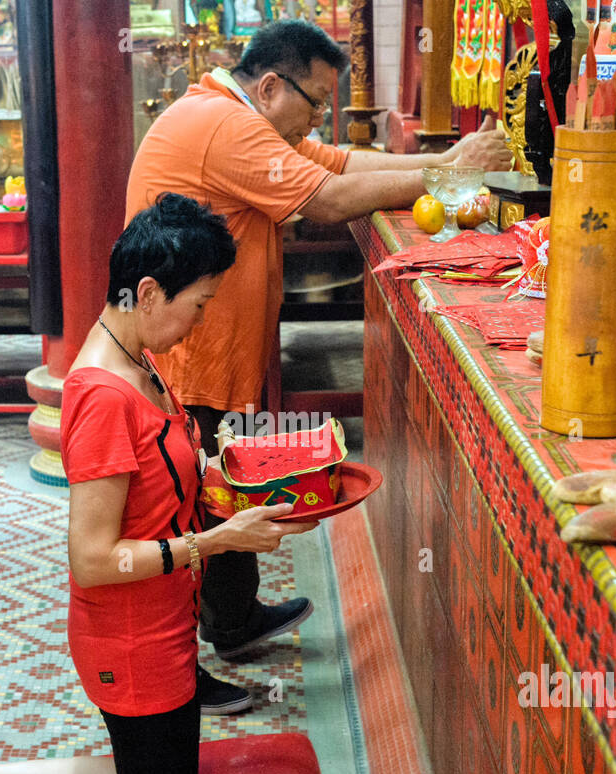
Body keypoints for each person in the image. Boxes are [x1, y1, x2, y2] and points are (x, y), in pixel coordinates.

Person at [0, 194, 318, 774]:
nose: (198, 323)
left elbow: (162, 479)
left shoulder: (138, 359)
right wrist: (215, 542)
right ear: (147, 292)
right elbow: (90, 557)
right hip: (132, 638)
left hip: (160, 623)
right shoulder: (105, 397)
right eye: (196, 304)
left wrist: (237, 478)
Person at [125, 18, 513, 710]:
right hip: (190, 348)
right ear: (270, 86)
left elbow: (338, 163)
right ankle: (174, 678)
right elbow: (328, 199)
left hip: (212, 344)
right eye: (314, 101)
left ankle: (234, 620)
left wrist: (451, 163)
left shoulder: (243, 118)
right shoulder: (225, 124)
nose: (319, 118)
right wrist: (451, 172)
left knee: (223, 478)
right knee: (187, 507)